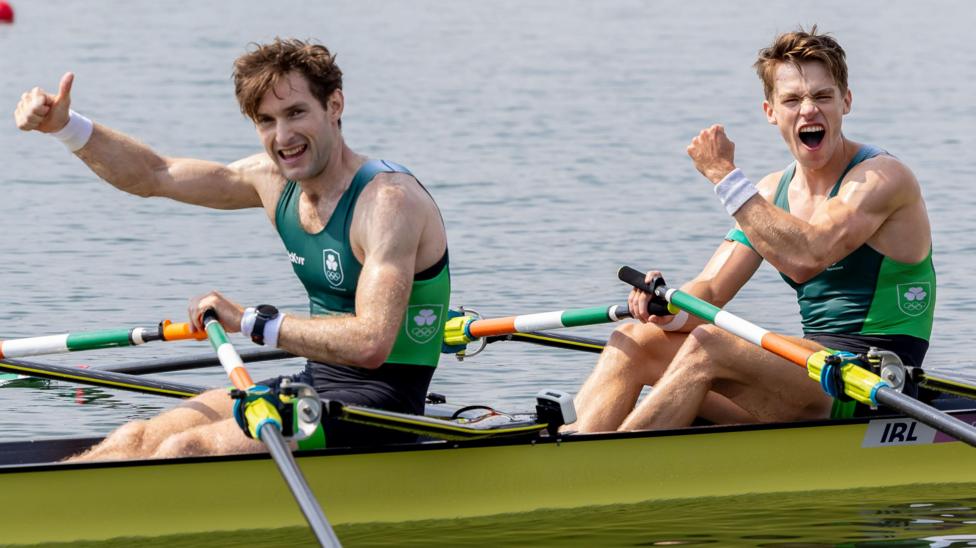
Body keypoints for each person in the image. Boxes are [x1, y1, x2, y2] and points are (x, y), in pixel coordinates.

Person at [13, 38, 451, 458]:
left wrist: (249, 321)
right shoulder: (272, 181)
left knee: (185, 449)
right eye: (266, 120)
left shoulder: (388, 202)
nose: (283, 137)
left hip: (383, 410)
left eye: (296, 112)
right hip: (315, 385)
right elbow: (154, 174)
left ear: (334, 105)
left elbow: (371, 343)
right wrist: (66, 128)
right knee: (135, 436)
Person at [573, 26, 935, 432]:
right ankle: (574, 446)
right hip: (809, 370)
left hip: (870, 380)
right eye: (793, 99)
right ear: (770, 112)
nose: (808, 110)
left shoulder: (881, 177)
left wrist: (724, 176)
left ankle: (613, 466)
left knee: (710, 345)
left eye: (822, 96)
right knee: (634, 340)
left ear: (845, 102)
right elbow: (709, 291)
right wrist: (664, 308)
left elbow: (808, 256)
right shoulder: (767, 194)